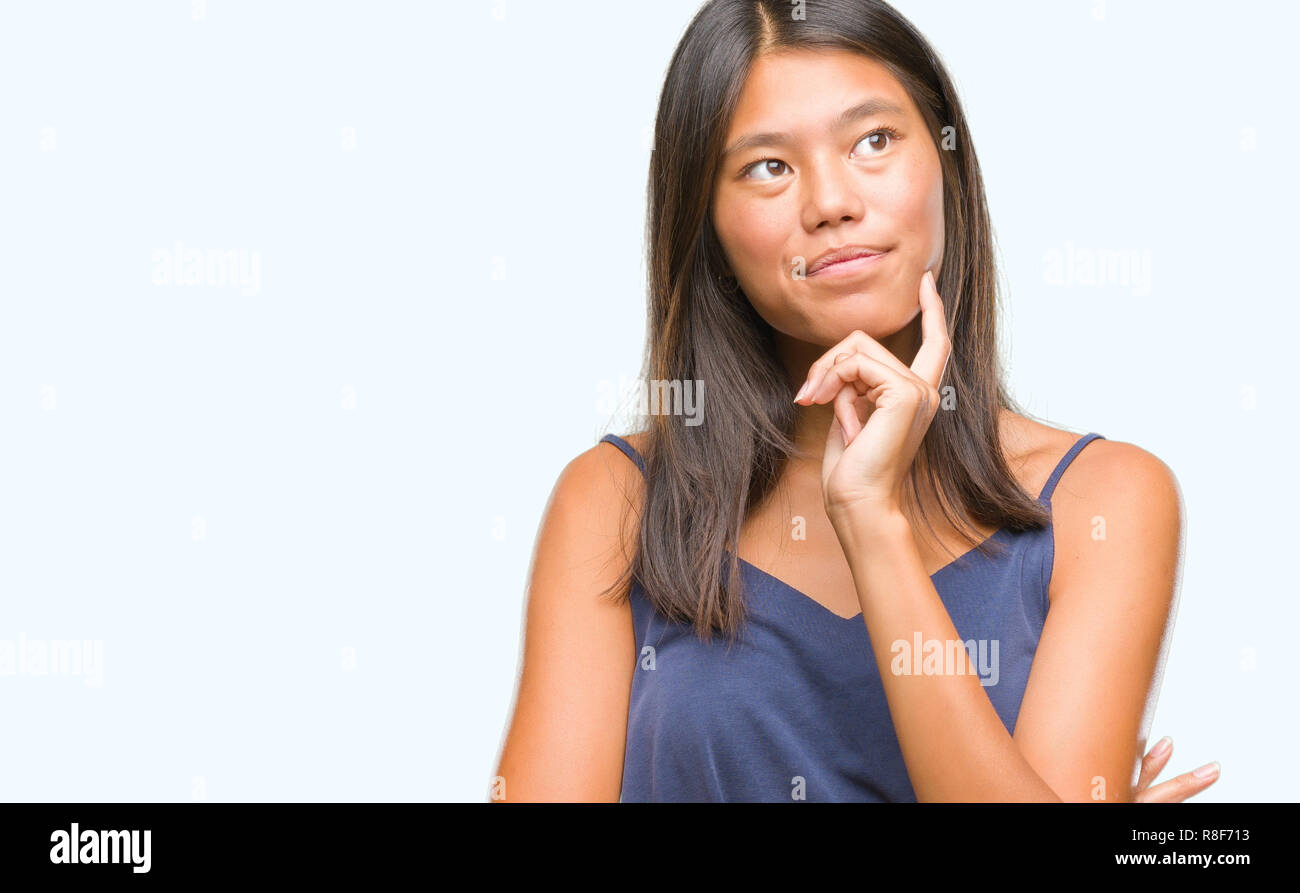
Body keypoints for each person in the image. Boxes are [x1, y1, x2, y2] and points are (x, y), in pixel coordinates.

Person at [493, 0, 1220, 802]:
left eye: (874, 140)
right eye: (767, 166)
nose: (831, 202)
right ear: (708, 226)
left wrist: (873, 518)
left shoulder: (1104, 500)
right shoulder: (615, 501)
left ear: (946, 160)